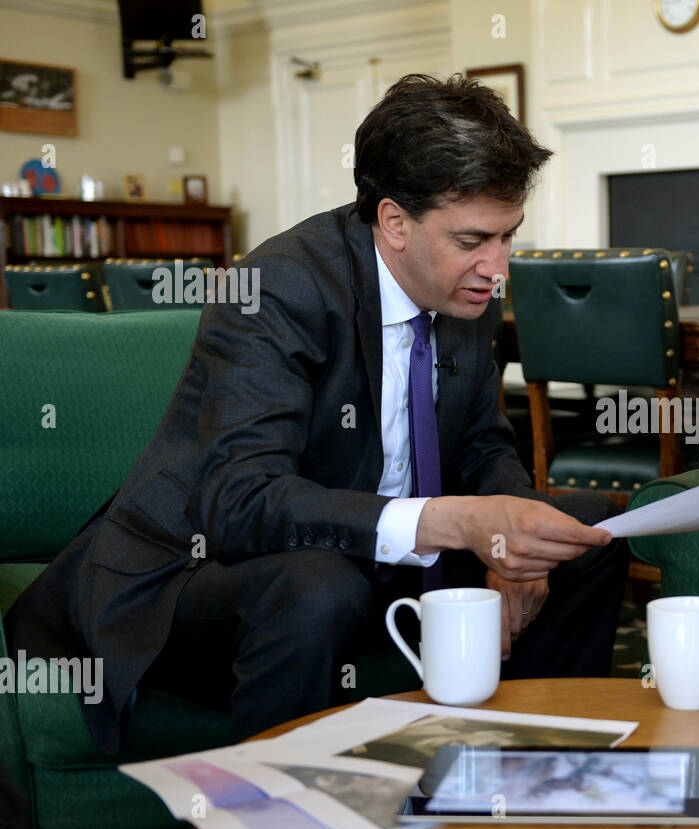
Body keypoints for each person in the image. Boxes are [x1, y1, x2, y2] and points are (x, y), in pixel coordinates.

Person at [4, 74, 629, 757]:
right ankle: (270, 814)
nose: (496, 267)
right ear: (393, 221)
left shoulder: (461, 292)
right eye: (474, 240)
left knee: (586, 534)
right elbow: (240, 501)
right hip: (199, 569)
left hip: (369, 548)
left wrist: (518, 534)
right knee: (317, 587)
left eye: (508, 237)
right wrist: (452, 521)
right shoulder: (279, 287)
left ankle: (530, 765)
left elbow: (480, 445)